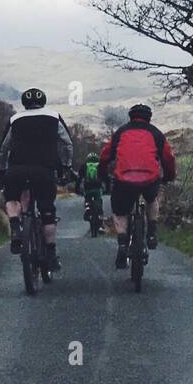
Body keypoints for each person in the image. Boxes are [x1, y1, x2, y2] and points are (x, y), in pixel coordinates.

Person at [0, 88, 73, 273]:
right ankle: (51, 253)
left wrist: (2, 170)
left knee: (13, 198)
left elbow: (3, 148)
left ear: (24, 102)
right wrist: (66, 166)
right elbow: (68, 144)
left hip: (17, 169)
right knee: (47, 211)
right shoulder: (54, 117)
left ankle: (16, 227)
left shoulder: (15, 119)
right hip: (44, 171)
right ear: (44, 101)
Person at [98, 103, 176, 270]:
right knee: (151, 199)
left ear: (131, 116)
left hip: (124, 178)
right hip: (150, 178)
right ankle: (152, 233)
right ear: (149, 117)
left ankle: (122, 244)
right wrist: (169, 176)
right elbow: (168, 158)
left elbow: (105, 155)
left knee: (120, 211)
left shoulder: (121, 132)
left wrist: (102, 173)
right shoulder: (156, 133)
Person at [75, 151, 107, 224]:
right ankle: (101, 223)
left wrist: (77, 189)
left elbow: (79, 179)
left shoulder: (84, 166)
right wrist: (107, 189)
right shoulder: (100, 166)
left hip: (87, 187)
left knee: (87, 199)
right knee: (99, 202)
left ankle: (87, 208)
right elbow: (106, 178)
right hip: (97, 187)